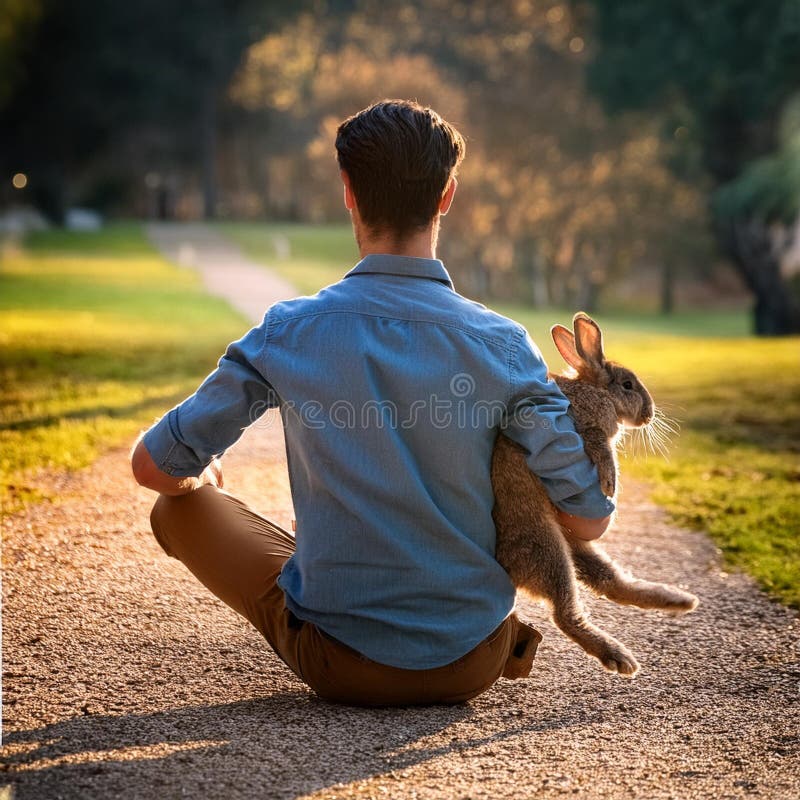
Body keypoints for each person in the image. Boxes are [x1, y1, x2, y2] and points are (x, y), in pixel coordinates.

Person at [131, 99, 614, 706]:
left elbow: (153, 468)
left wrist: (195, 477)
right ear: (446, 197)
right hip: (474, 659)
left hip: (337, 664)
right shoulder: (505, 346)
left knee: (175, 510)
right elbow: (590, 519)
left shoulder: (290, 331)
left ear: (348, 192)